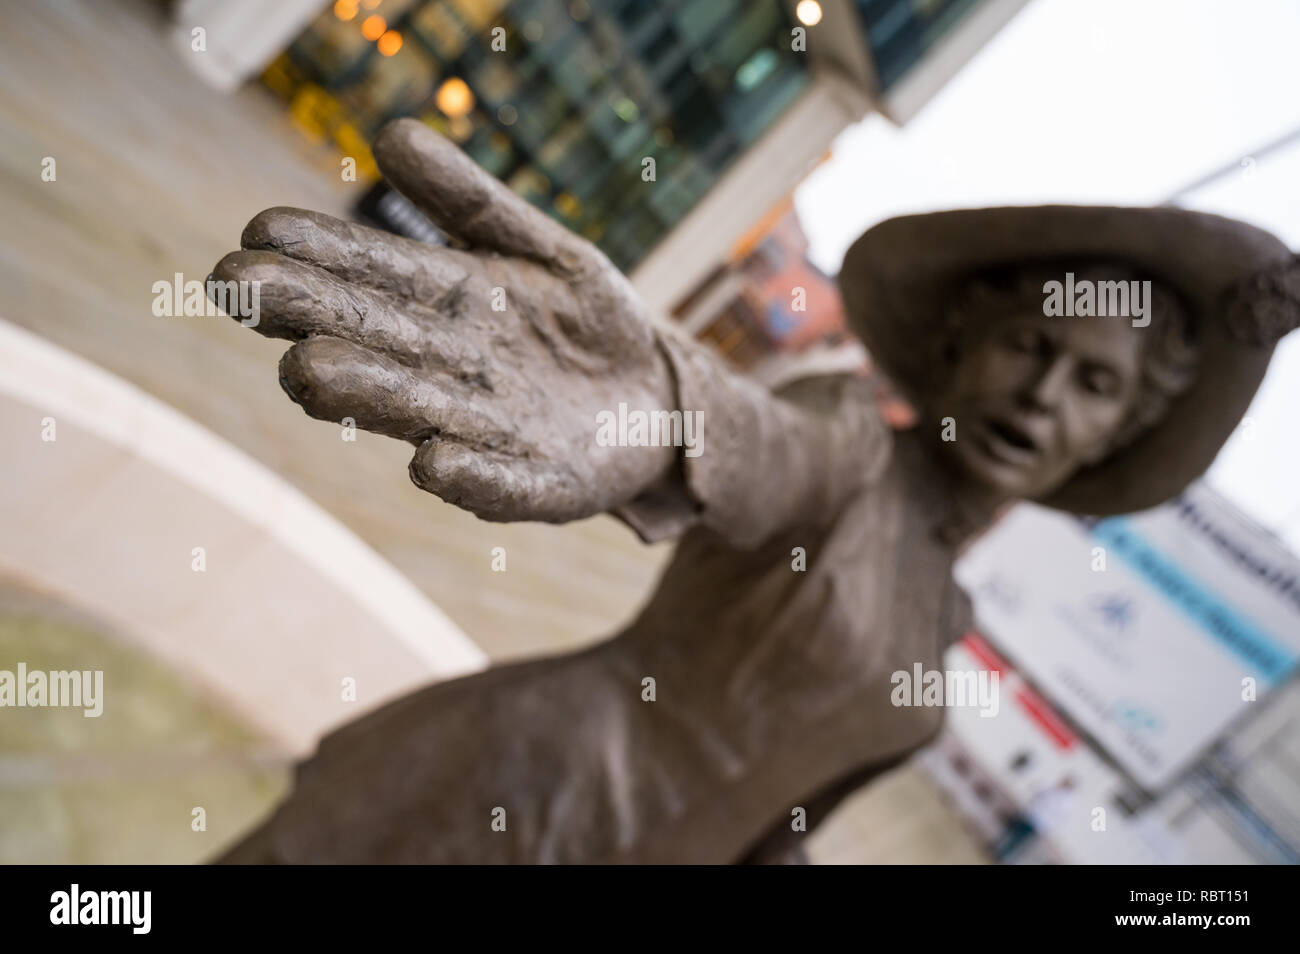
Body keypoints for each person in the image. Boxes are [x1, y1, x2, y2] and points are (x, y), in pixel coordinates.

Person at [211, 119, 1298, 863]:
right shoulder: (846, 447)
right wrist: (656, 399)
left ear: (1118, 431)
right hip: (505, 796)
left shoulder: (942, 619)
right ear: (961, 342)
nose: (1044, 394)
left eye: (1094, 383)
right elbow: (760, 441)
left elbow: (773, 823)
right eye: (1028, 345)